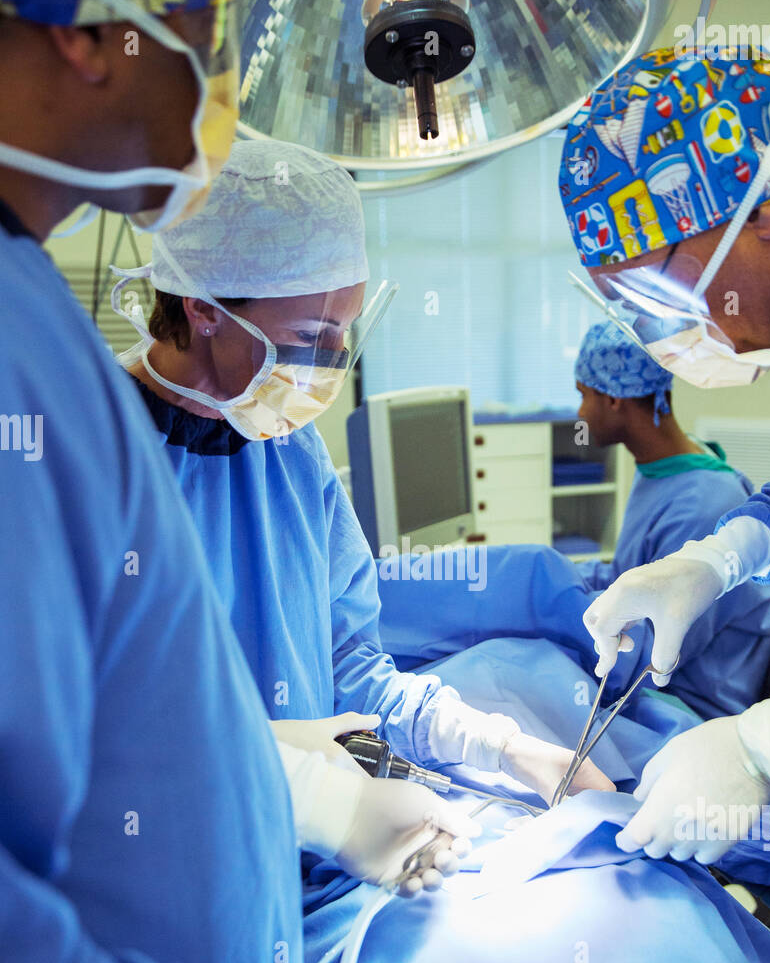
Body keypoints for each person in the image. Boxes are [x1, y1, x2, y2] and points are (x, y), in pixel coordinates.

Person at [0, 0, 401, 963]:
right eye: (215, 32)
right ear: (90, 24)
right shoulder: (32, 381)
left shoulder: (45, 354)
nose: (230, 88)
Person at [112, 137, 614, 914]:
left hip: (312, 877)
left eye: (345, 335)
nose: (332, 366)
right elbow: (83, 738)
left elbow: (355, 675)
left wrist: (499, 749)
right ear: (204, 309)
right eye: (314, 339)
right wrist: (313, 792)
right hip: (159, 897)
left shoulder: (289, 453)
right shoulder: (82, 457)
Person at [558, 41, 770, 963]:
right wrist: (715, 556)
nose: (658, 339)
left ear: (757, 204)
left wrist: (769, 743)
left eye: (654, 293)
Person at [566, 321, 770, 717]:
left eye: (584, 395)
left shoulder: (703, 504)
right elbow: (628, 572)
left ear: (615, 399)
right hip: (655, 682)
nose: (580, 413)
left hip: (684, 709)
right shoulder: (661, 469)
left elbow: (642, 659)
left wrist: (547, 613)